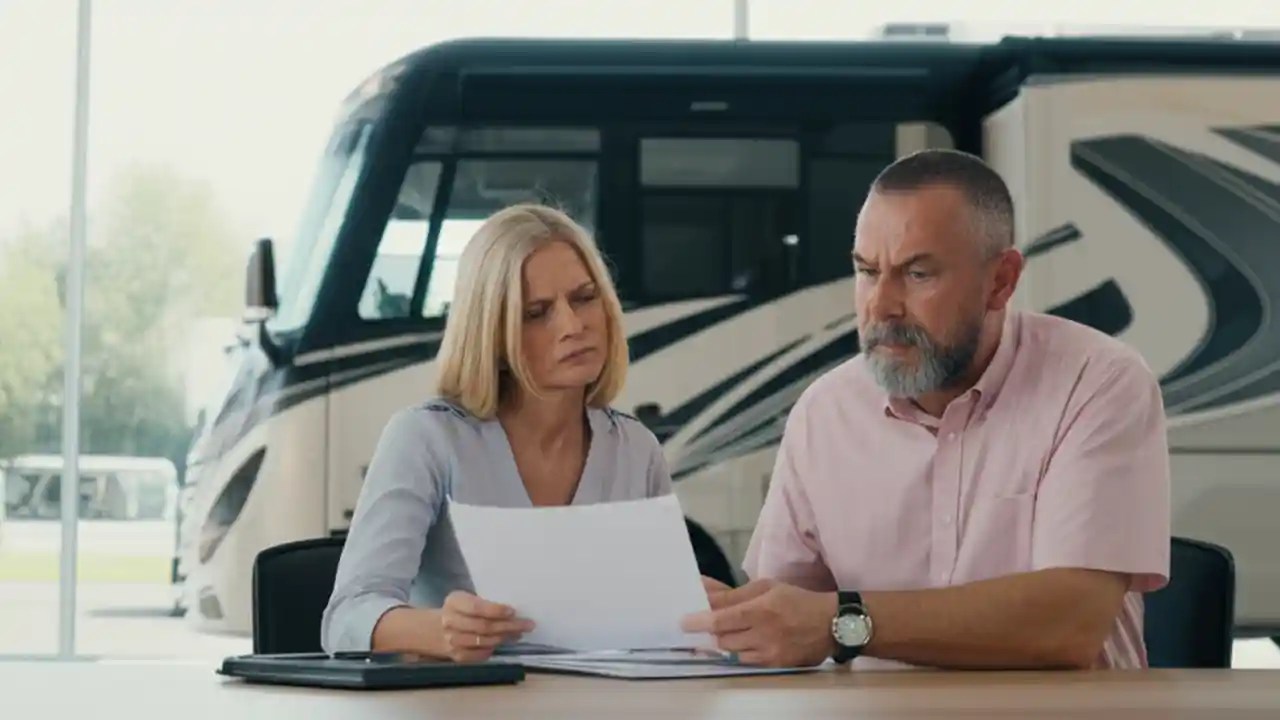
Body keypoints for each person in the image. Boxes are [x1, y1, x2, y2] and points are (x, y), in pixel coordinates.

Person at [682, 149, 1171, 671]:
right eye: (867, 271)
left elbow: (1070, 623)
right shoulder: (824, 412)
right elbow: (789, 617)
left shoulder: (1096, 381)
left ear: (1001, 281)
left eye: (917, 274)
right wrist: (734, 618)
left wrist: (841, 622)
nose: (881, 306)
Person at [321, 203, 673, 661]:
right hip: (467, 698)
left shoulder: (636, 449)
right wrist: (440, 632)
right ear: (491, 333)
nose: (573, 326)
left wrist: (693, 611)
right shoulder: (426, 438)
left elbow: (659, 622)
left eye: (584, 298)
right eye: (537, 313)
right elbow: (346, 617)